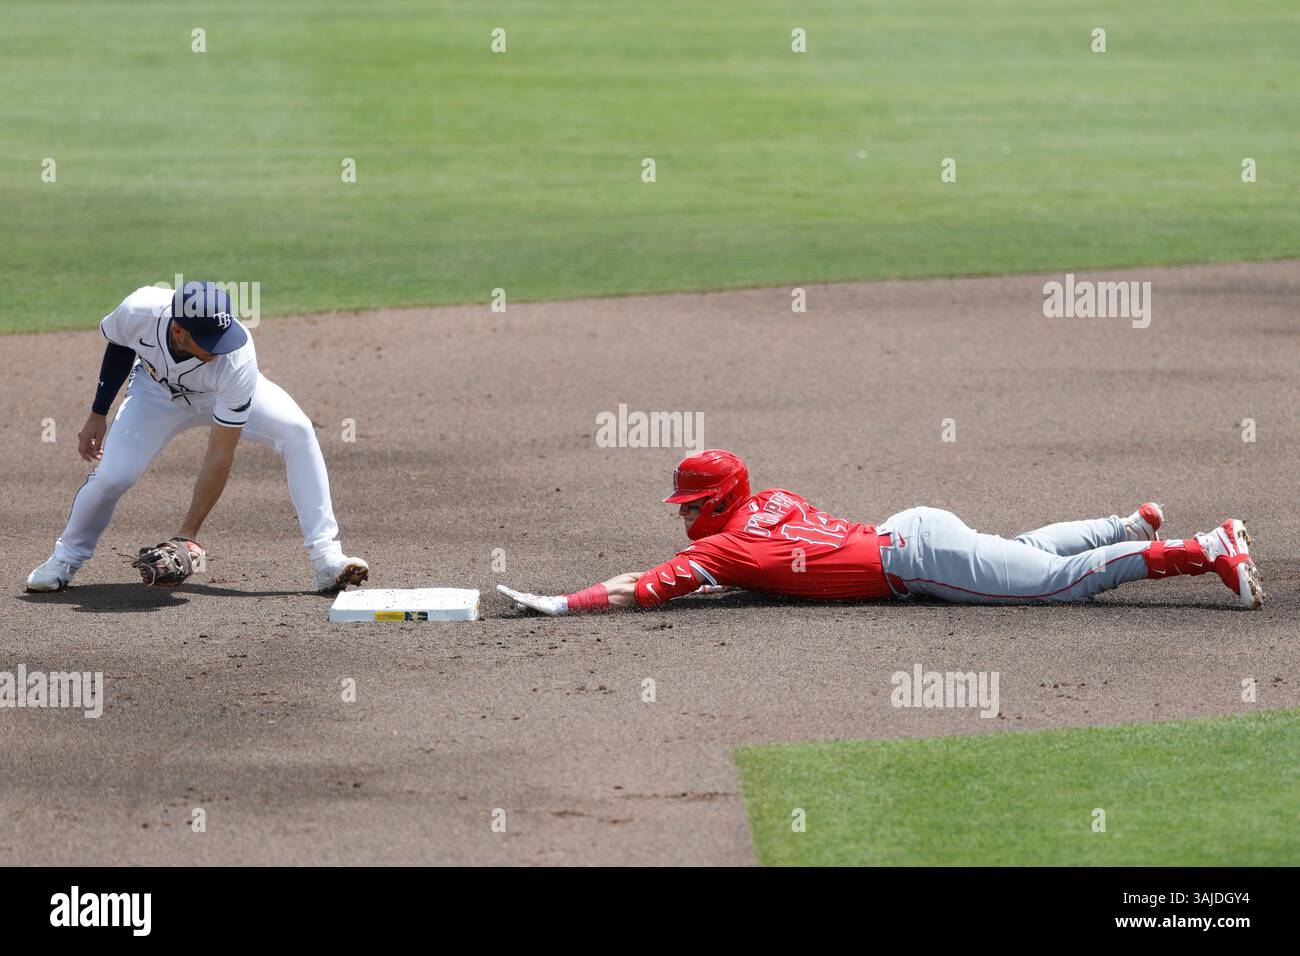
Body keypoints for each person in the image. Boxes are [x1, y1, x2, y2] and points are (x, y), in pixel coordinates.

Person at [497, 449, 1263, 614]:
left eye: (690, 505)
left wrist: (565, 603)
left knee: (1057, 585)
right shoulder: (773, 500)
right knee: (1020, 557)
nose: (685, 515)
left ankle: (1203, 550)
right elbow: (775, 560)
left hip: (917, 554)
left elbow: (649, 589)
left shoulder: (721, 545)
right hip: (914, 531)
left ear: (717, 502)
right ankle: (1125, 524)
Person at [25, 282, 368, 593]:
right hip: (155, 395)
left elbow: (219, 455)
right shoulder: (139, 310)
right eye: (209, 343)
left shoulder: (236, 359)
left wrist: (187, 534)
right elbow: (119, 345)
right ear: (179, 331)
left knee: (297, 431)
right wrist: (98, 413)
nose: (220, 347)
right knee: (113, 475)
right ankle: (64, 560)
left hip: (221, 393)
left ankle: (327, 559)